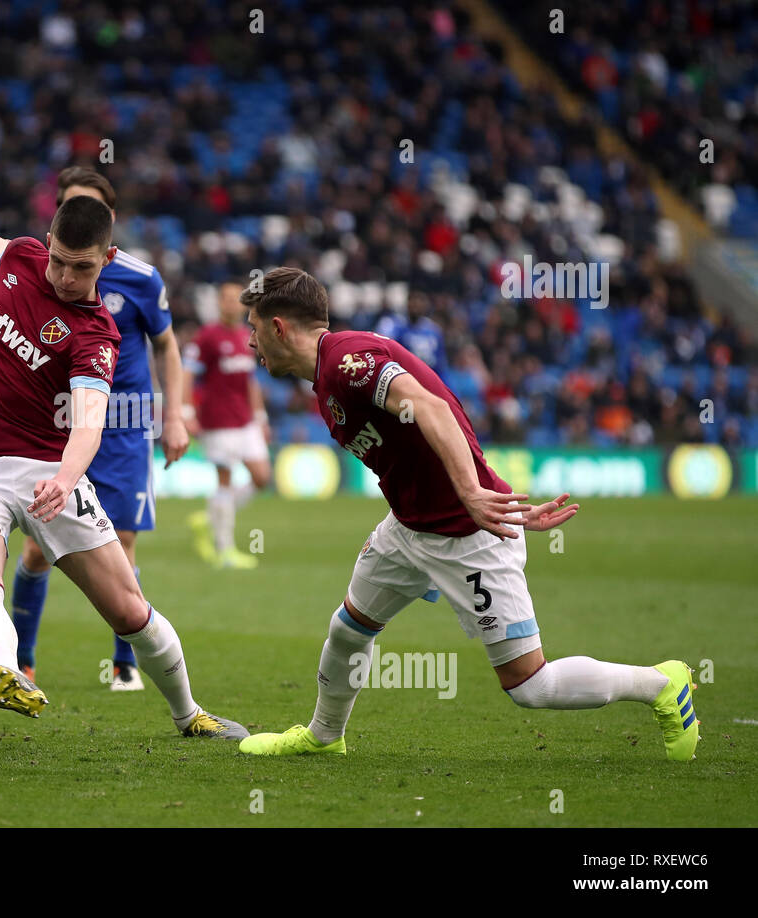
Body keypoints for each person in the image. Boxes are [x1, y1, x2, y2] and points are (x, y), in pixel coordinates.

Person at [236, 267, 699, 761]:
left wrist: (474, 494)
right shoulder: (328, 375)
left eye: (254, 328)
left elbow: (431, 408)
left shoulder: (347, 363)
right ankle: (325, 737)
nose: (250, 341)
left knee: (530, 684)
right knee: (349, 628)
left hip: (467, 534)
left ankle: (661, 684)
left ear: (279, 327)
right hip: (409, 528)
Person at [0, 194, 246, 739]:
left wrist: (65, 478)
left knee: (128, 610)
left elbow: (88, 423)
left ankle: (189, 713)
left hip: (46, 473)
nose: (65, 277)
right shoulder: (22, 256)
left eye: (82, 268)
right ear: (46, 245)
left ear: (108, 258)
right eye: (59, 261)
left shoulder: (96, 334)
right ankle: (5, 669)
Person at [0, 167, 189, 692]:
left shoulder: (142, 279)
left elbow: (167, 346)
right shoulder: (41, 270)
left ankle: (125, 664)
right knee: (38, 549)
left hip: (124, 423)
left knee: (122, 541)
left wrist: (174, 414)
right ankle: (22, 660)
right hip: (59, 421)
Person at [182, 280, 272, 568]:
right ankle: (225, 550)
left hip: (245, 420)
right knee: (225, 479)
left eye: (237, 299)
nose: (232, 304)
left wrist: (260, 417)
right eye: (227, 298)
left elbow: (250, 381)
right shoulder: (207, 336)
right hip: (217, 420)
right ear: (219, 303)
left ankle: (210, 518)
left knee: (262, 477)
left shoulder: (247, 336)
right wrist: (186, 412)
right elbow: (187, 374)